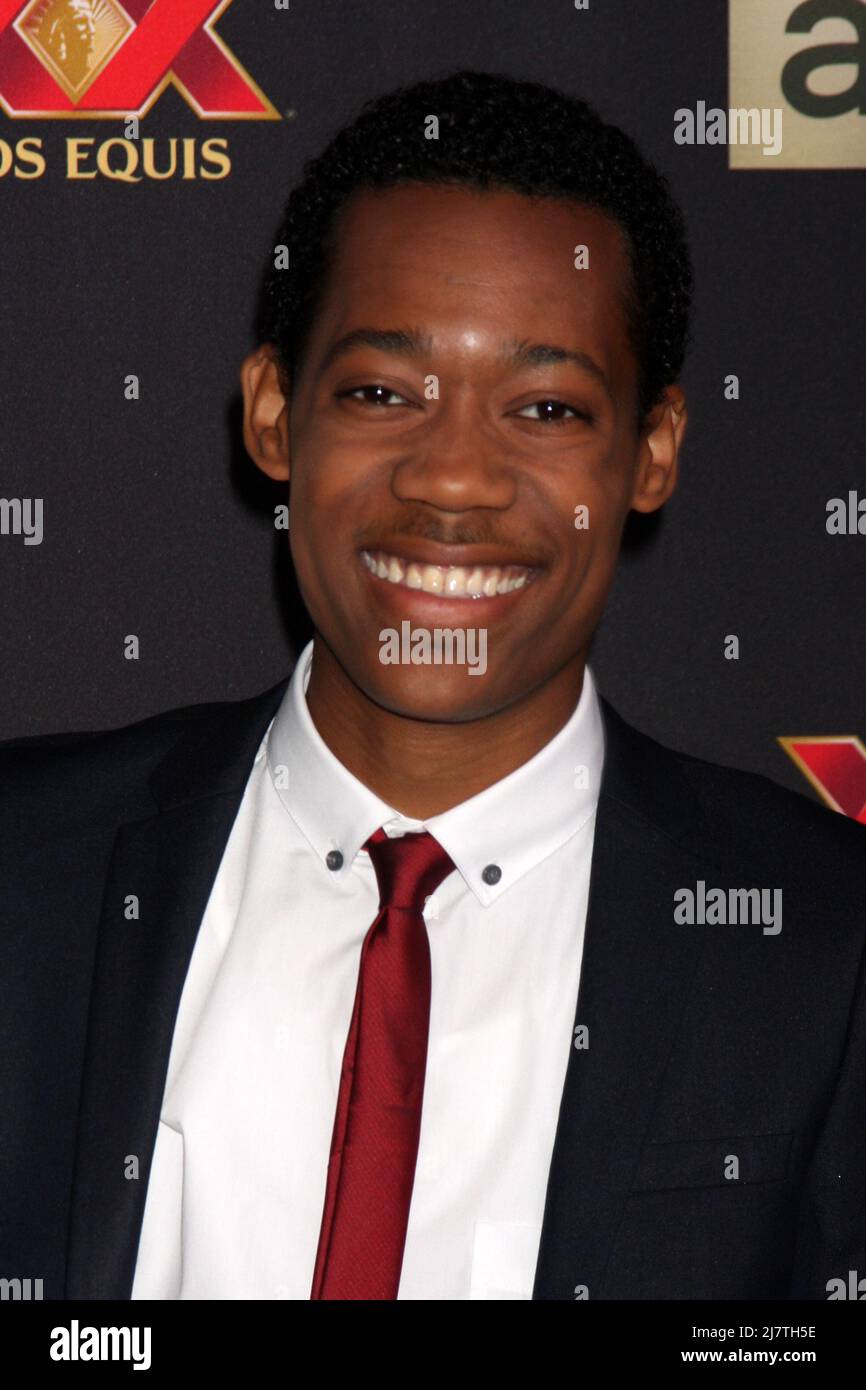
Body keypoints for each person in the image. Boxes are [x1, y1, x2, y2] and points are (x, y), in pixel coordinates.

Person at [2, 69, 865, 1302]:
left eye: (546, 406)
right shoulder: (27, 865)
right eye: (379, 392)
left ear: (651, 452)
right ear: (271, 415)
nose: (452, 478)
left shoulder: (824, 947)